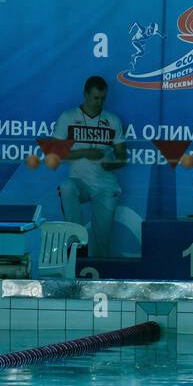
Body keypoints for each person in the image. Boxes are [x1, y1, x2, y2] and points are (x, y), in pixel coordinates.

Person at [54, 76, 128, 258]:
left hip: (105, 185)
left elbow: (123, 157)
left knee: (102, 244)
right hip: (80, 182)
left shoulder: (112, 120)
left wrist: (111, 164)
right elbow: (55, 155)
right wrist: (84, 152)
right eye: (96, 98)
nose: (99, 102)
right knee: (66, 187)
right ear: (85, 94)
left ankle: (98, 278)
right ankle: (76, 242)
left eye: (103, 98)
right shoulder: (68, 117)